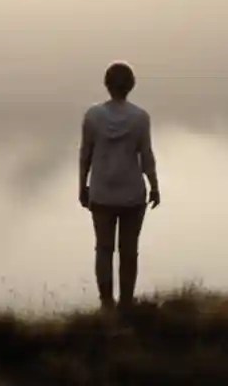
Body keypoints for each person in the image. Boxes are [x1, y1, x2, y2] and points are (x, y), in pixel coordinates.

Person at [78, 61, 160, 310]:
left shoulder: (93, 116)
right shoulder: (140, 118)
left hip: (102, 192)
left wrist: (82, 185)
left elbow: (86, 154)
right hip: (132, 194)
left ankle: (106, 303)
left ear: (107, 84)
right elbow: (146, 156)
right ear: (131, 86)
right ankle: (126, 303)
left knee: (103, 249)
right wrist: (155, 185)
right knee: (129, 251)